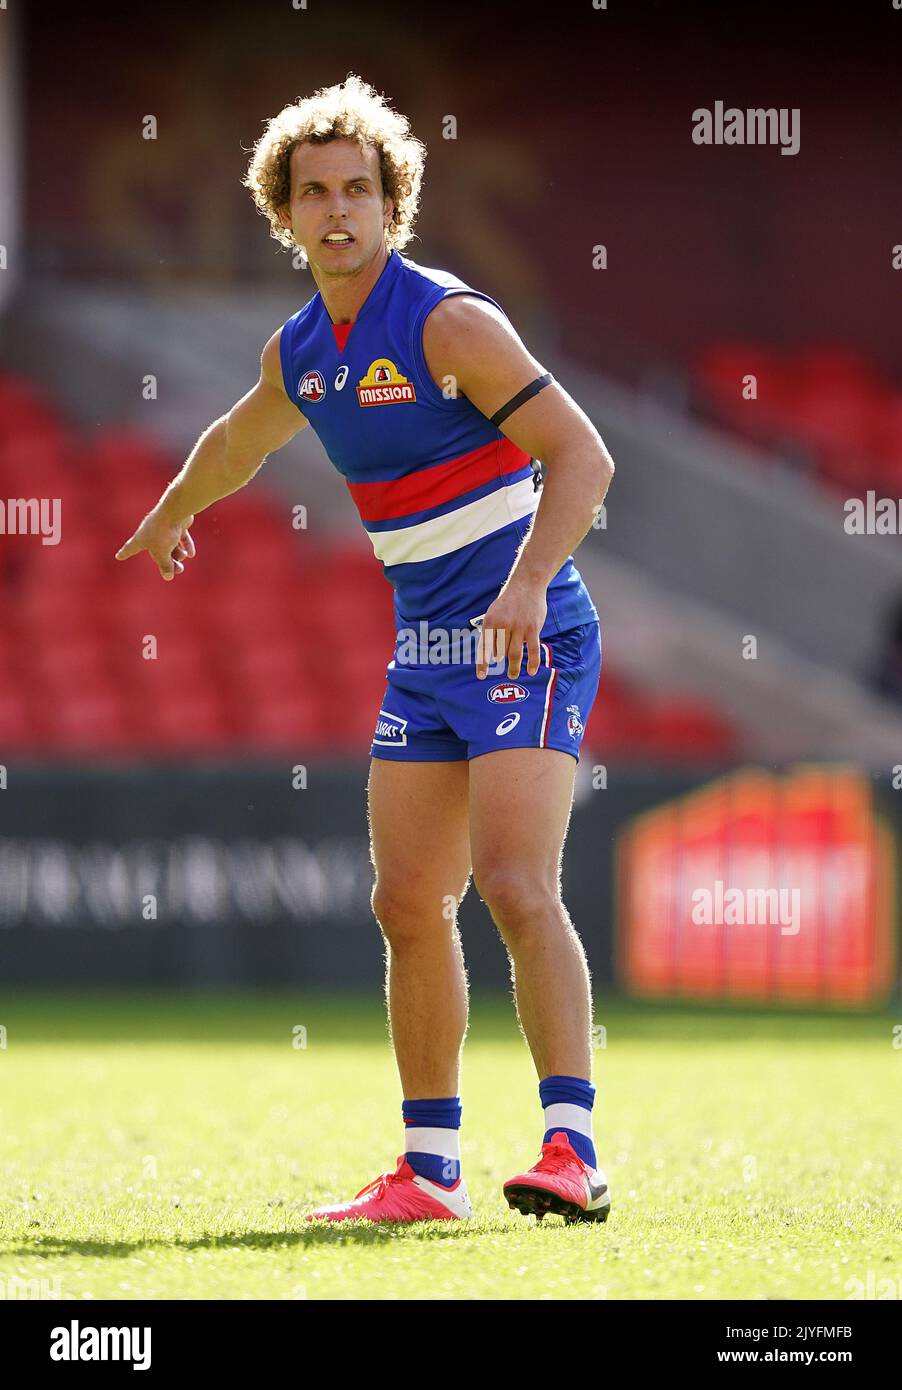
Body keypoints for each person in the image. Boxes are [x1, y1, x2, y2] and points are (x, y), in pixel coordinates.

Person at [116, 75, 615, 1225]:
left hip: (524, 637)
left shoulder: (446, 320)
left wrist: (530, 581)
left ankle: (570, 1150)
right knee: (402, 902)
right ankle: (429, 1172)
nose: (336, 210)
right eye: (313, 193)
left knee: (512, 885)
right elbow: (237, 437)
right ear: (281, 214)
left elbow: (580, 456)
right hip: (424, 652)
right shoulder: (300, 347)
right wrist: (173, 511)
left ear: (393, 204)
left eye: (358, 189)